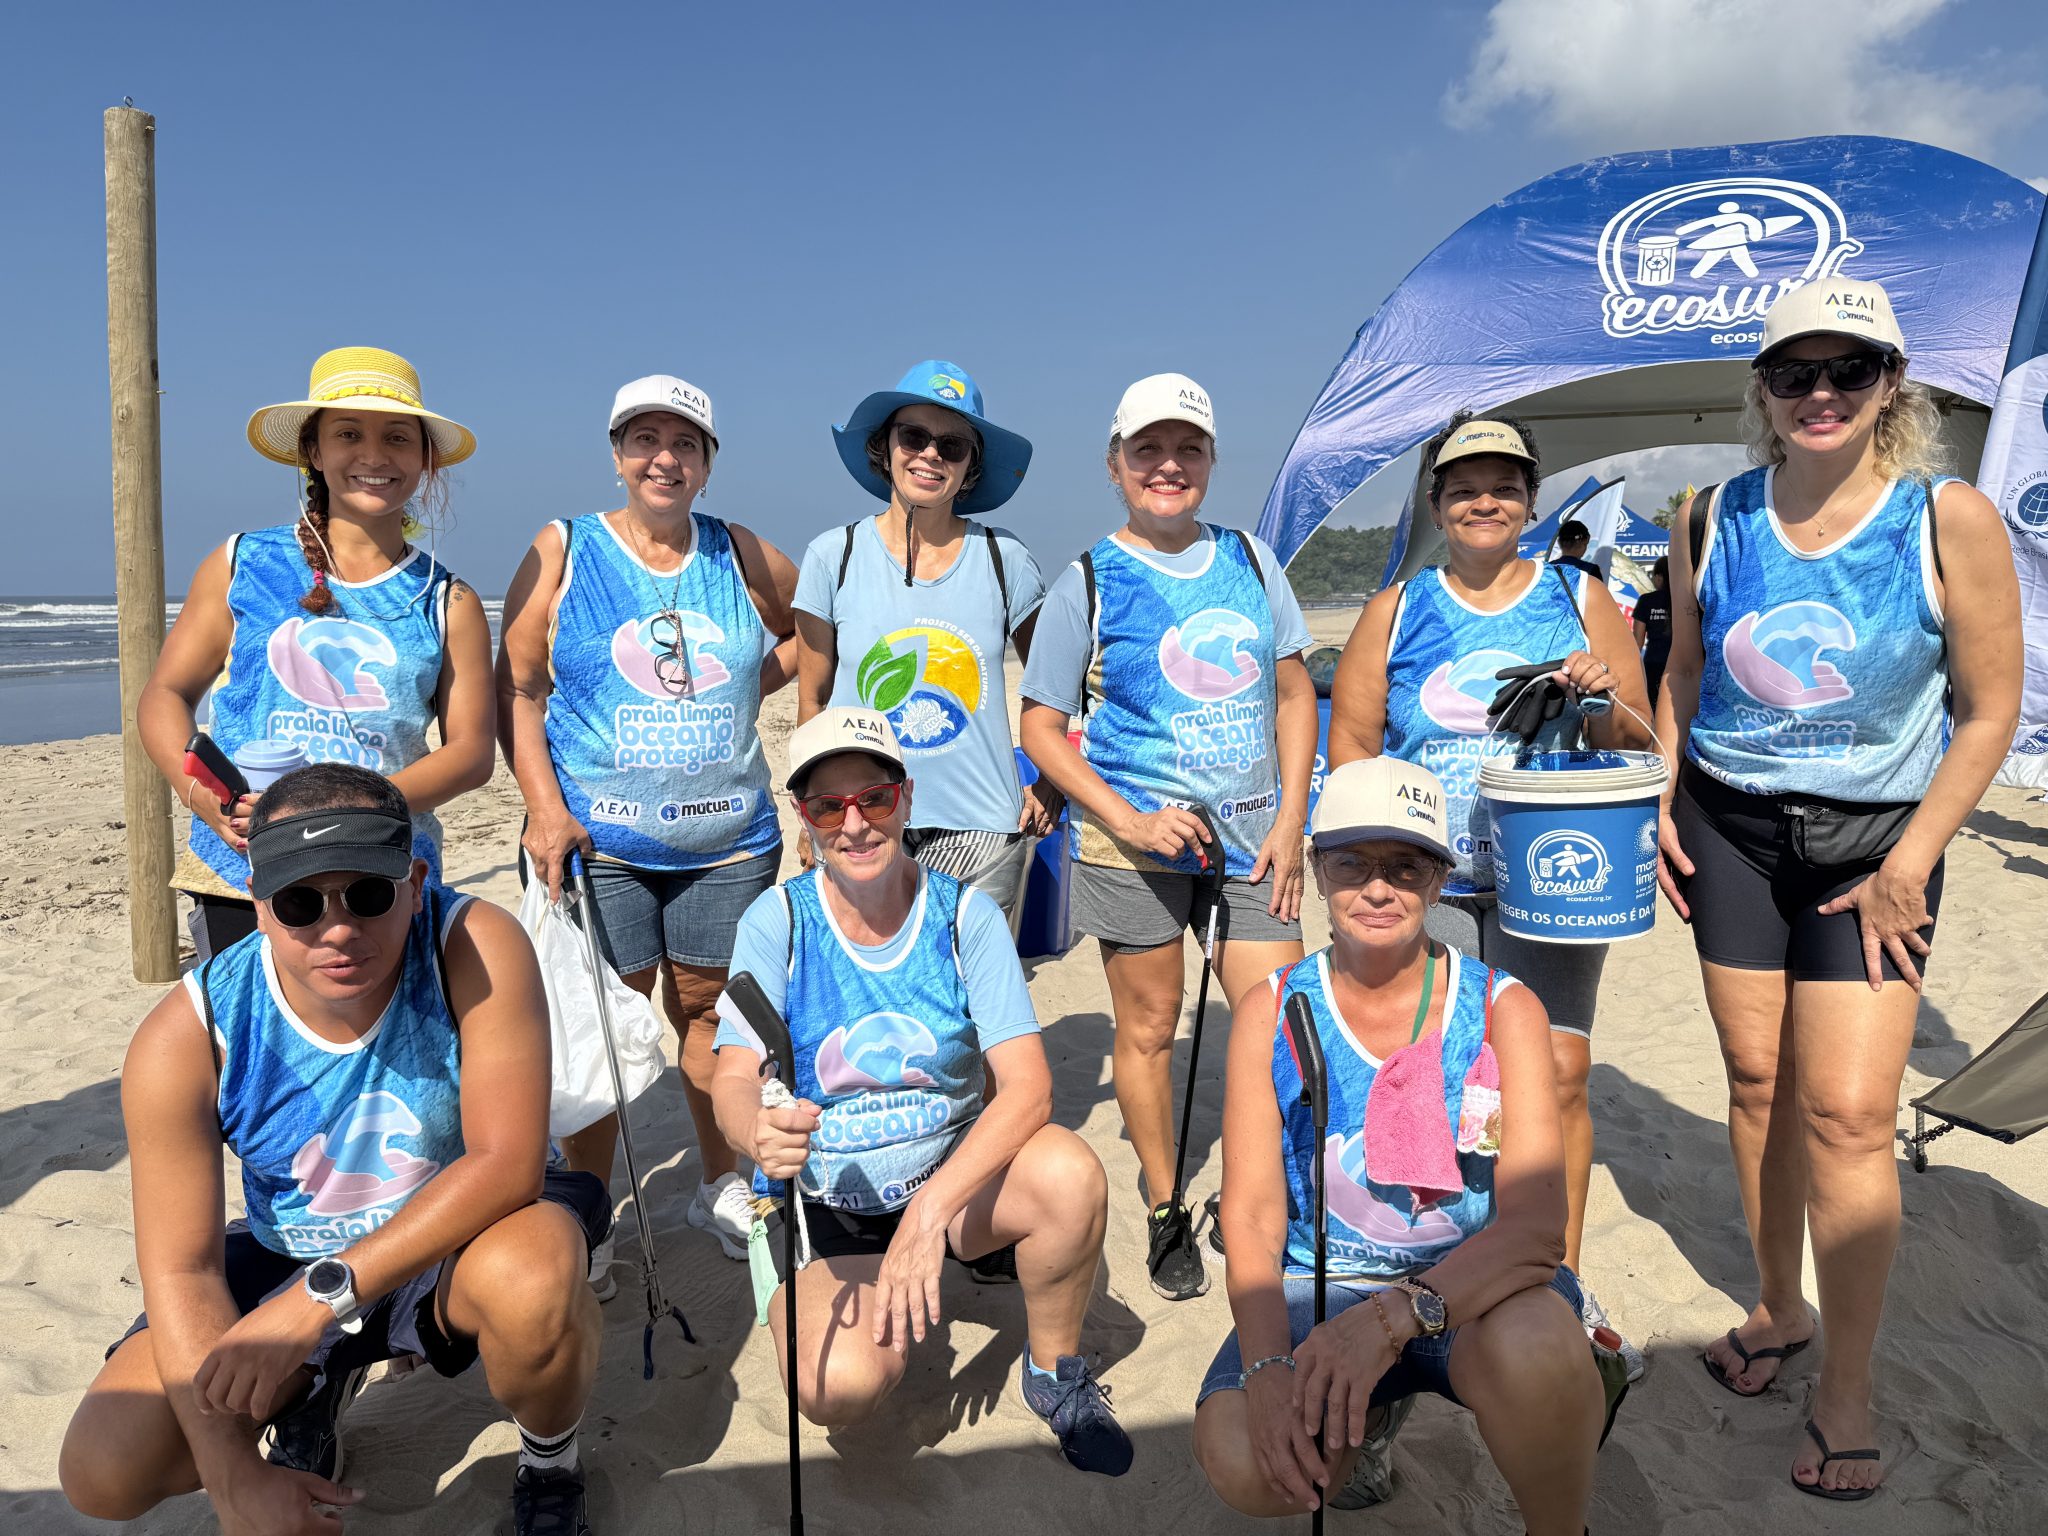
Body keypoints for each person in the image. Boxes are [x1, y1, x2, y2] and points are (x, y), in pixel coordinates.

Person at [1658, 278, 2020, 1500]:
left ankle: (1847, 1387)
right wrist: (1664, 789)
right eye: (1792, 373)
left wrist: (1908, 860)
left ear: (1888, 387)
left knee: (1851, 1119)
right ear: (1760, 391)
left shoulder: (1944, 516)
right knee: (1756, 1082)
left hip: (1879, 842)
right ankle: (1777, 1306)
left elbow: (1988, 711)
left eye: (1846, 371)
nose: (1818, 394)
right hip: (1730, 827)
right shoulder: (1706, 514)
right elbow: (1685, 666)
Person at [57, 765, 609, 1536]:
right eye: (300, 902)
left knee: (538, 1275)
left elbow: (507, 1164)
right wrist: (234, 1483)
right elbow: (182, 1266)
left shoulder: (472, 944)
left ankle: (550, 1462)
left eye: (369, 894)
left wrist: (311, 1303)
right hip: (290, 1248)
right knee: (105, 1469)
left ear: (416, 881)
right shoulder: (186, 1035)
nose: (338, 926)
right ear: (256, 902)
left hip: (450, 1239)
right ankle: (311, 1397)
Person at [711, 709, 1132, 1475]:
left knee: (1071, 1175)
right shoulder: (776, 921)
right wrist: (754, 1133)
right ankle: (813, 1280)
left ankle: (1053, 1372)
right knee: (837, 1389)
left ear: (906, 798)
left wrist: (930, 1212)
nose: (855, 824)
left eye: (874, 799)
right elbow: (733, 1077)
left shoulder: (965, 915)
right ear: (802, 816)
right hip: (829, 1201)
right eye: (828, 806)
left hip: (949, 1184)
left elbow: (1029, 1089)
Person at [1192, 756, 1602, 1532]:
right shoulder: (1270, 1010)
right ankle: (1368, 1421)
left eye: (1405, 867)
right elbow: (1249, 1215)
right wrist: (1269, 1367)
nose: (1378, 889)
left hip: (1473, 1289)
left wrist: (1388, 1322)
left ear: (1441, 880)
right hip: (1325, 1283)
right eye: (1352, 863)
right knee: (1248, 1461)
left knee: (1540, 1357)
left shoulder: (1502, 1008)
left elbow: (1536, 1227)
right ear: (1315, 871)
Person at [1326, 411, 1652, 1376]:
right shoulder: (1396, 608)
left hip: (1551, 875)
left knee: (1553, 1079)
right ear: (1436, 503)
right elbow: (1352, 745)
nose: (1484, 500)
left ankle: (1555, 1277)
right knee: (1429, 1088)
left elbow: (1633, 740)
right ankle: (1429, 1269)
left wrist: (1596, 697)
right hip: (1433, 883)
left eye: (1504, 484)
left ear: (1530, 499)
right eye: (1464, 485)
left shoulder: (1578, 594)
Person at [1019, 374, 1317, 1301]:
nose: (1168, 466)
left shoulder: (1253, 560)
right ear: (1116, 466)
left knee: (1281, 1024)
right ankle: (1162, 1202)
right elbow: (1039, 725)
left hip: (1253, 842)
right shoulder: (1088, 580)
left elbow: (1294, 691)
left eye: (1187, 448)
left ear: (1211, 461)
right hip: (1132, 846)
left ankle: (1252, 1190)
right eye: (1147, 450)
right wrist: (1130, 818)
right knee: (1149, 1029)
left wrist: (1293, 817)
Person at [497, 374, 798, 1290]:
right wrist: (547, 808)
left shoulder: (740, 550)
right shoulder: (566, 547)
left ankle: (718, 1182)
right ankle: (588, 1214)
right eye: (644, 441)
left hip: (730, 845)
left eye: (685, 444)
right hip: (600, 848)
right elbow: (518, 685)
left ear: (708, 464)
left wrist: (736, 695)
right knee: (597, 1028)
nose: (664, 458)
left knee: (713, 1016)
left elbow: (804, 638)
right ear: (618, 454)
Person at [139, 347, 496, 962]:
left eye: (398, 438)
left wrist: (353, 808)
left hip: (383, 872)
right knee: (243, 1049)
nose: (374, 455)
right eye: (348, 434)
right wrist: (201, 797)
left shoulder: (448, 599)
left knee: (379, 1052)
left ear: (424, 458)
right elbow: (165, 696)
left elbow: (469, 754)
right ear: (314, 451)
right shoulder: (241, 562)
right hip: (243, 869)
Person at [794, 361, 1057, 924]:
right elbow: (812, 701)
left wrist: (1050, 787)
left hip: (984, 830)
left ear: (970, 467)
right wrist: (810, 815)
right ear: (883, 447)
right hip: (858, 820)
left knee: (970, 1004)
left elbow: (1051, 688)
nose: (930, 455)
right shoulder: (831, 557)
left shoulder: (1004, 558)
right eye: (913, 436)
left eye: (953, 445)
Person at [1633, 555, 1674, 707]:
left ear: (1658, 577)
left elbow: (1637, 641)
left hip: (1653, 662)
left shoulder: (1646, 600)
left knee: (1653, 708)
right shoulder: (1685, 599)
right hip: (1679, 663)